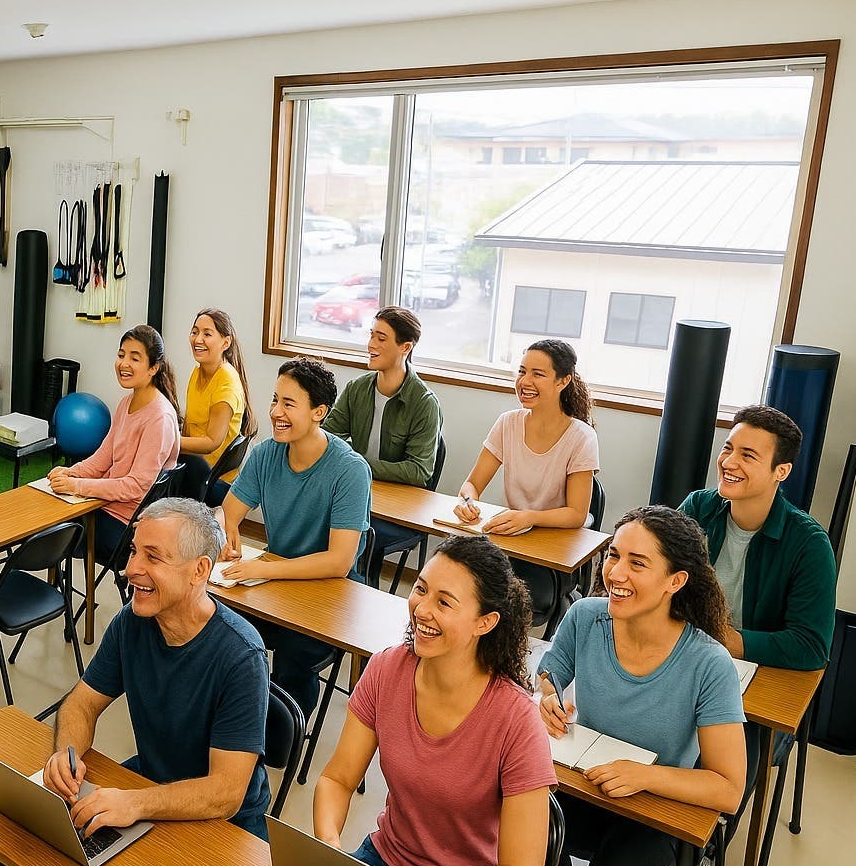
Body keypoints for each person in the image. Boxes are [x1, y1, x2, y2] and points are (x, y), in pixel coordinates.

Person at [0, 497, 269, 866]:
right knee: (10, 847)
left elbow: (225, 794)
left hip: (225, 826)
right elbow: (80, 704)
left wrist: (133, 803)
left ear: (200, 571)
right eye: (134, 551)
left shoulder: (240, 656)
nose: (129, 567)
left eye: (152, 557)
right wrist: (67, 756)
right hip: (149, 784)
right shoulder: (132, 623)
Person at [536, 506, 747, 866]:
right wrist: (547, 696)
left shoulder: (709, 663)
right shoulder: (586, 617)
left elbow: (729, 789)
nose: (615, 572)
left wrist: (644, 775)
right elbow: (550, 671)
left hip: (657, 809)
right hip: (588, 785)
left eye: (637, 563)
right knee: (527, 823)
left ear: (676, 581)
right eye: (614, 555)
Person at [313, 534, 553, 866]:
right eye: (421, 589)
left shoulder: (517, 721)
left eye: (444, 602)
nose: (421, 609)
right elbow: (337, 779)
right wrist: (330, 848)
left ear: (485, 623)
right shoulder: (386, 669)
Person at [677, 404, 836, 866]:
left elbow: (811, 645)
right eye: (728, 448)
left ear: (780, 472)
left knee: (728, 758)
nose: (729, 461)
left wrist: (734, 641)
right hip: (686, 658)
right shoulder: (699, 508)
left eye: (748, 455)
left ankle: (703, 845)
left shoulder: (808, 543)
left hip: (754, 683)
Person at [216, 357, 372, 717]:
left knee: (292, 657)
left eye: (288, 403)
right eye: (275, 399)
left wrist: (264, 569)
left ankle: (283, 734)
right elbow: (229, 511)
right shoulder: (266, 454)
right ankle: (230, 718)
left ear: (319, 412)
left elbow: (339, 562)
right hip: (275, 582)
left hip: (331, 592)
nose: (275, 412)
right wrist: (228, 533)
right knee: (218, 624)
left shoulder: (350, 470)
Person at [455, 338, 599, 617]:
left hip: (551, 557)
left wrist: (529, 517)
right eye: (522, 371)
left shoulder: (582, 437)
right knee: (462, 584)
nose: (525, 381)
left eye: (538, 374)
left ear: (563, 381)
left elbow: (577, 514)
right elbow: (472, 484)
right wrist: (467, 501)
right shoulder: (507, 422)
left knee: (496, 600)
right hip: (509, 542)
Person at [323, 306, 443, 581]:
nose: (370, 345)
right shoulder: (357, 388)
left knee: (358, 530)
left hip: (396, 510)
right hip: (356, 493)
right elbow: (327, 436)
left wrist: (358, 466)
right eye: (371, 335)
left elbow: (419, 471)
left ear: (405, 347)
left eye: (381, 338)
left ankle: (357, 591)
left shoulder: (424, 403)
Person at [48, 325, 181, 561]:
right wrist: (70, 473)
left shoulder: (159, 418)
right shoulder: (126, 403)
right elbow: (103, 458)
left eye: (135, 358)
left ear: (154, 368)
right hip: (104, 506)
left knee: (53, 534)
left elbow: (135, 487)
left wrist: (76, 486)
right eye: (121, 355)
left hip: (126, 525)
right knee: (47, 518)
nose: (124, 363)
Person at [178, 308, 254, 505]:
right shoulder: (198, 372)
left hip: (211, 480)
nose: (198, 339)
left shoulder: (226, 385)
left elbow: (211, 442)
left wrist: (170, 441)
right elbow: (190, 426)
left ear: (225, 343)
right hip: (194, 466)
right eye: (195, 332)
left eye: (207, 334)